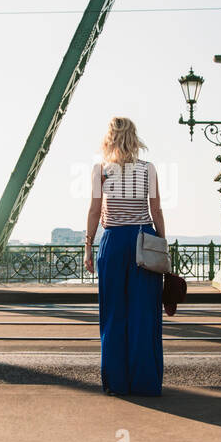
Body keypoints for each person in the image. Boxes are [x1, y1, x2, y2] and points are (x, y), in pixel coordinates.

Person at [85, 116, 164, 396]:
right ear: (134, 137)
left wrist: (88, 246)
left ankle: (117, 383)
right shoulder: (148, 170)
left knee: (114, 315)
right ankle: (145, 382)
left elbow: (95, 212)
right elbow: (156, 211)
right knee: (143, 314)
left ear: (109, 138)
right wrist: (161, 245)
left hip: (113, 243)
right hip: (143, 240)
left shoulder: (101, 171)